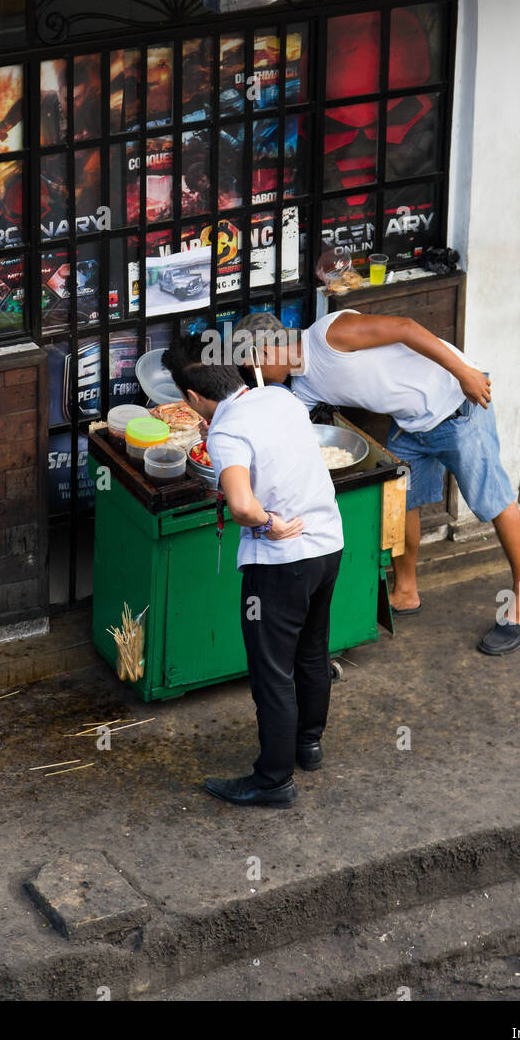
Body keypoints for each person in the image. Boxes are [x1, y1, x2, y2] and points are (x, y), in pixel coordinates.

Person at [229, 310, 520, 657]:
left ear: (267, 354)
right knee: (399, 502)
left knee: (494, 501)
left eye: (252, 369)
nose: (257, 378)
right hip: (410, 426)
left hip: (457, 405)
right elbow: (284, 426)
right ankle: (406, 590)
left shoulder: (330, 336)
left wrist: (464, 372)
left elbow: (404, 328)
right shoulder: (302, 386)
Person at [163, 338, 344, 808]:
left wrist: (268, 523)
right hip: (328, 544)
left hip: (283, 561)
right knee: (311, 650)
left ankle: (274, 781)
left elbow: (242, 505)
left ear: (192, 398)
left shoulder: (224, 434)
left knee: (272, 672)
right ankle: (307, 744)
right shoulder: (279, 398)